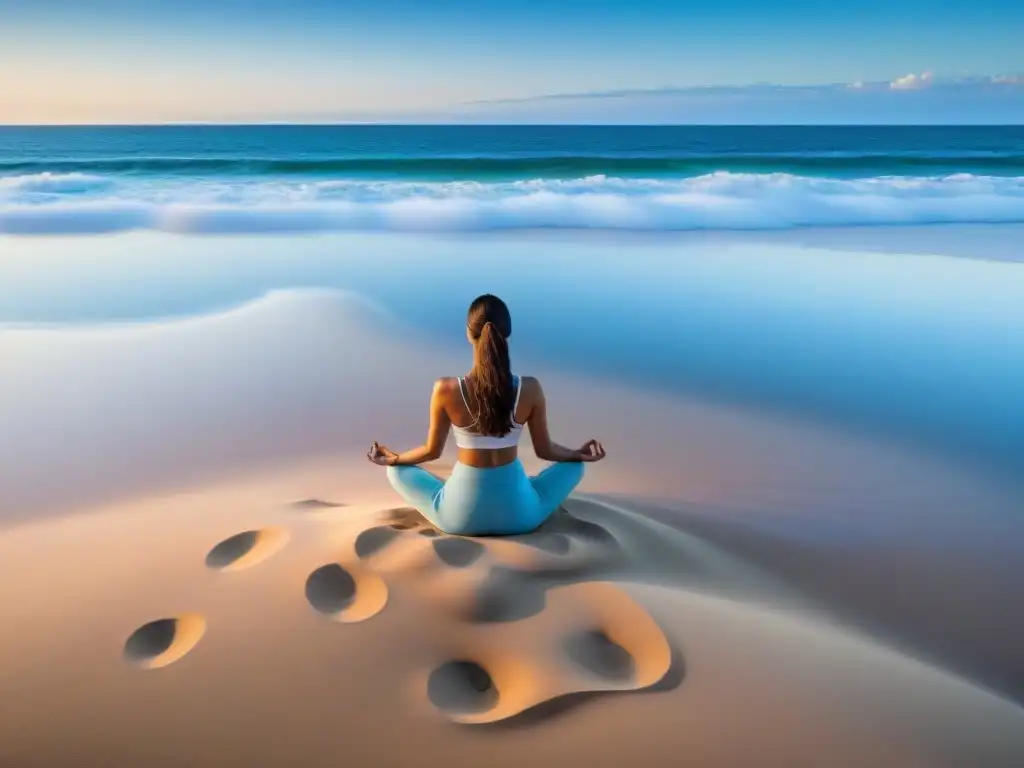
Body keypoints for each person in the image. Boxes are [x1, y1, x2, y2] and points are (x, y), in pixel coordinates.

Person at [367, 294, 606, 536]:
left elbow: (432, 451)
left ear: (469, 333)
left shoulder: (446, 389)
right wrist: (577, 454)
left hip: (459, 519)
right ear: (508, 334)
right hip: (521, 518)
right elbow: (545, 451)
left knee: (396, 471)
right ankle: (523, 492)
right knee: (575, 468)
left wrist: (394, 459)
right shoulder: (530, 388)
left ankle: (459, 494)